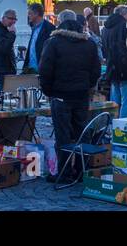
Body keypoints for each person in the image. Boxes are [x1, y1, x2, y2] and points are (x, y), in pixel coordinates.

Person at [38, 10, 101, 176]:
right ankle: (82, 170)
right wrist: (88, 86)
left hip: (61, 95)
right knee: (82, 133)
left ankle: (64, 173)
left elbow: (45, 70)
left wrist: (48, 91)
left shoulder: (53, 42)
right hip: (81, 94)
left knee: (63, 135)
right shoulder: (89, 44)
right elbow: (96, 71)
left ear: (59, 23)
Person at [102, 5, 127, 117]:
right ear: (125, 15)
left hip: (112, 68)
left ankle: (112, 126)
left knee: (115, 103)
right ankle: (122, 130)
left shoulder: (106, 28)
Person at [22, 3, 56, 74]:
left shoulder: (49, 28)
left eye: (30, 14)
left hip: (43, 70)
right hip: (31, 69)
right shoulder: (33, 28)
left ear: (36, 14)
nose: (28, 16)